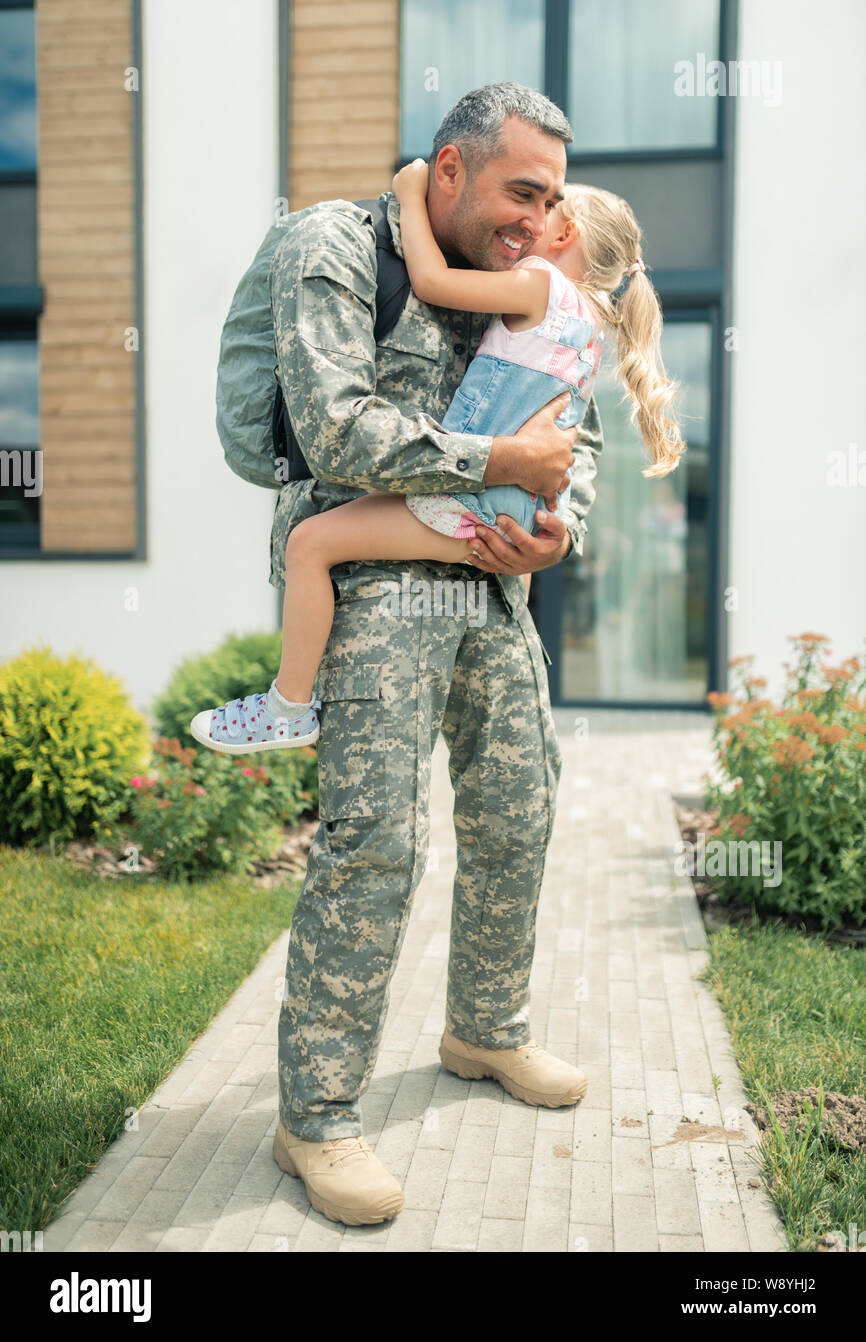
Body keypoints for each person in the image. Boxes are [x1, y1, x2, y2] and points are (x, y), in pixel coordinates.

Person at [219, 84, 619, 1229]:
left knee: (517, 810)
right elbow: (336, 421)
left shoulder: (522, 272)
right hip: (373, 585)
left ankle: (483, 1029)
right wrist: (501, 458)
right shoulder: (331, 250)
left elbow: (563, 427)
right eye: (517, 191)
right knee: (374, 845)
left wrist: (556, 522)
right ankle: (318, 1118)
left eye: (550, 197)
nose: (535, 218)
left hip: (491, 580)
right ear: (448, 169)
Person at [190, 170, 682, 756]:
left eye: (545, 206)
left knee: (309, 544)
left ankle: (288, 707)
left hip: (471, 498)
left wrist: (407, 195)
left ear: (565, 232)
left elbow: (431, 280)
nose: (529, 220)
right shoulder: (588, 327)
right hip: (511, 517)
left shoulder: (541, 285)